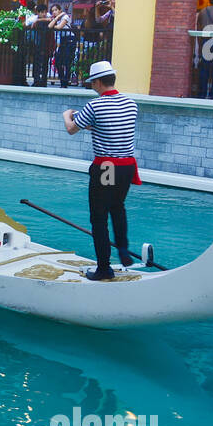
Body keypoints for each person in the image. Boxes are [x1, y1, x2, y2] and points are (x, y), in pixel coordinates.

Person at [62, 60, 141, 281]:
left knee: (99, 217)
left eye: (92, 82)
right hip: (127, 167)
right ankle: (123, 250)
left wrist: (67, 115)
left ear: (98, 81)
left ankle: (104, 268)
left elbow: (71, 129)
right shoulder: (131, 104)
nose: (92, 86)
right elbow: (105, 124)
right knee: (118, 207)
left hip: (107, 168)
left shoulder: (94, 106)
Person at [48, 3, 77, 87]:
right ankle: (63, 80)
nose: (54, 12)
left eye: (56, 10)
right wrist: (56, 18)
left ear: (60, 10)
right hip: (63, 41)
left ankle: (65, 82)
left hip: (70, 39)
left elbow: (60, 27)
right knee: (58, 61)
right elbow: (50, 26)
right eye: (52, 11)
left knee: (67, 62)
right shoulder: (57, 18)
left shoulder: (65, 17)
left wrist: (55, 21)